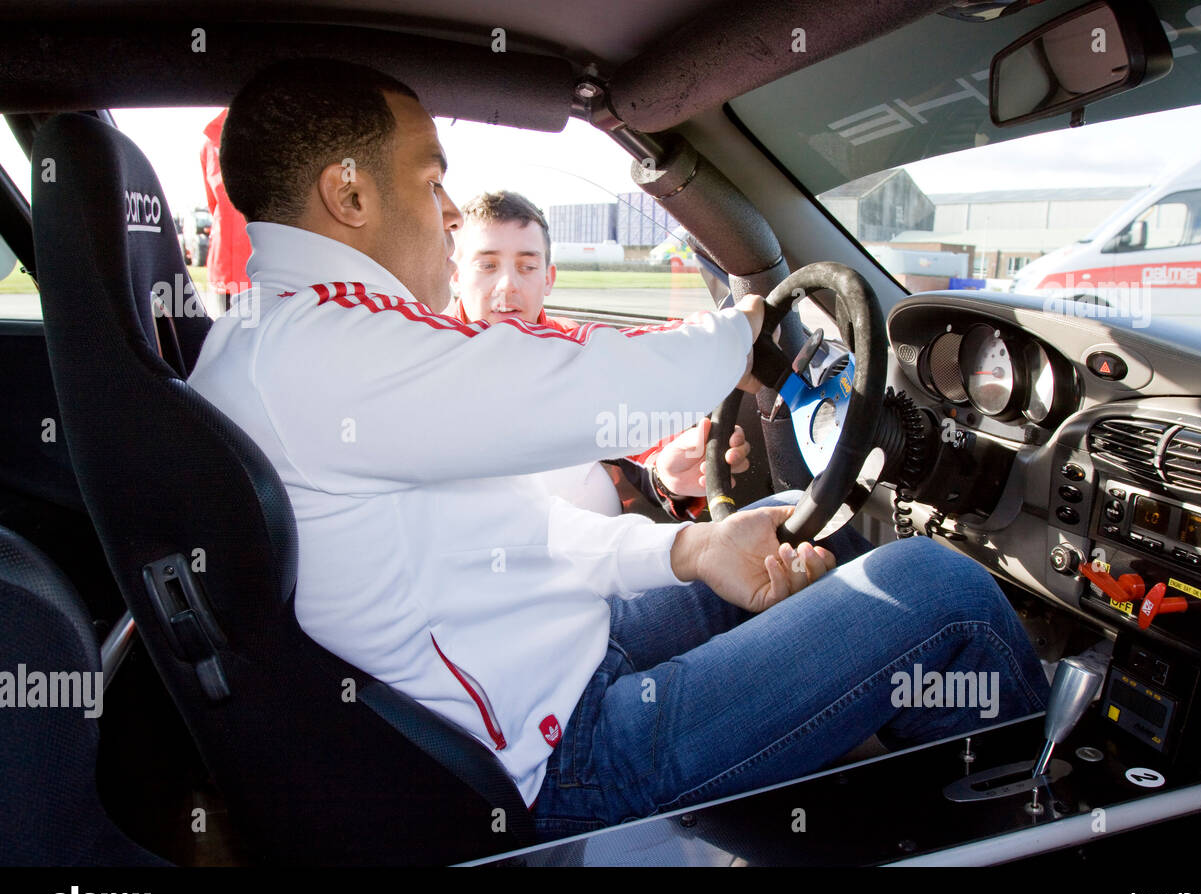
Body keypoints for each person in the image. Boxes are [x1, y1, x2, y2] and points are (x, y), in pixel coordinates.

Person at [189, 58, 1050, 840]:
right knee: (943, 591)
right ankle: (1024, 839)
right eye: (432, 181)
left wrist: (690, 546)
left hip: (557, 668)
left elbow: (512, 535)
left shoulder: (267, 336)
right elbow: (585, 388)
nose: (449, 214)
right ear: (348, 194)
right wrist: (740, 332)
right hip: (568, 757)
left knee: (795, 525)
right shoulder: (322, 346)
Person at [451, 188, 748, 521]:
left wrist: (666, 479)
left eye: (527, 266)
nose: (507, 284)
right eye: (487, 265)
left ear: (548, 279)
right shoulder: (427, 366)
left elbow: (634, 452)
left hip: (614, 556)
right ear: (456, 276)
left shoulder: (576, 351)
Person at [200, 109, 252, 312]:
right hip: (227, 266)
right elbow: (214, 206)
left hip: (261, 265)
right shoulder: (209, 146)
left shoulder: (273, 134)